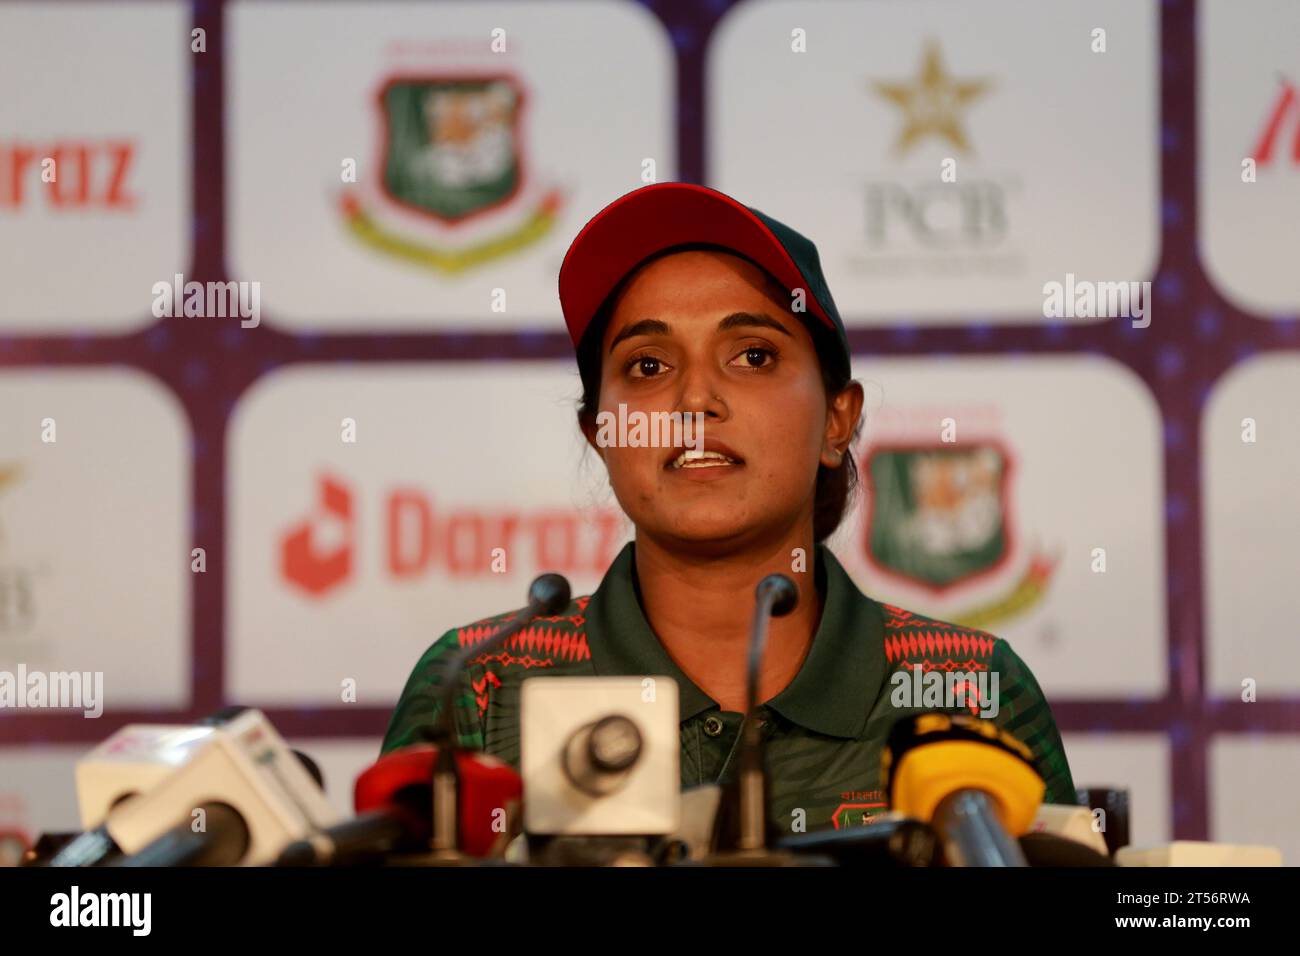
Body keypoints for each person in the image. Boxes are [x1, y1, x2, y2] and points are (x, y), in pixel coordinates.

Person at [382, 182, 1076, 832]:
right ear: (601, 434)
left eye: (752, 356)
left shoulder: (968, 685)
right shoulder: (480, 685)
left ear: (838, 419)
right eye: (648, 366)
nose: (694, 402)